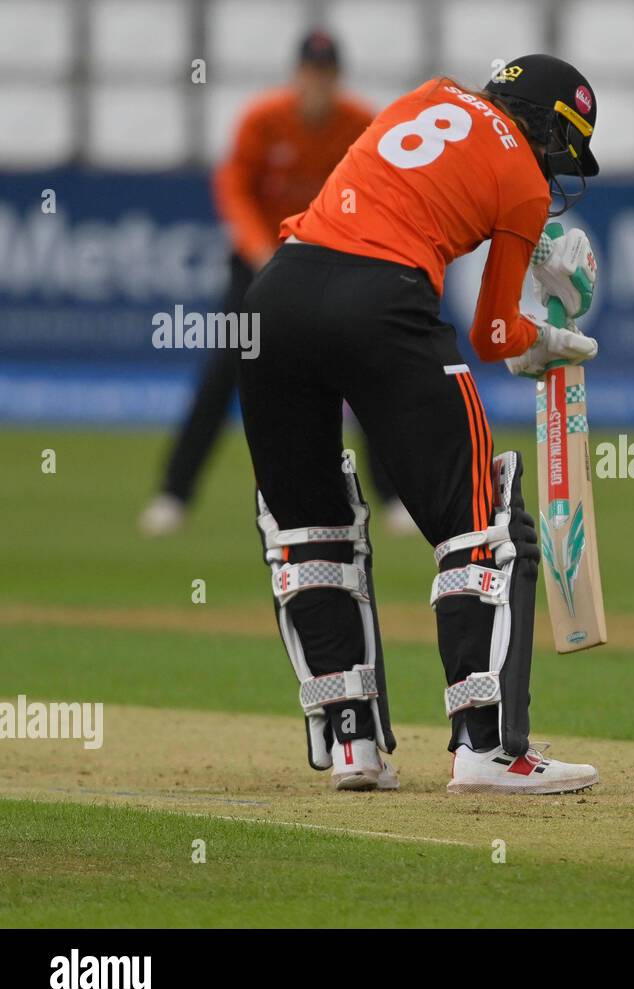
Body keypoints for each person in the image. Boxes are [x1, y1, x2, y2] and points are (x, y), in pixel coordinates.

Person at [237, 54, 603, 794]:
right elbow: (495, 332)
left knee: (308, 529)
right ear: (543, 123)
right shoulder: (525, 180)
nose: (557, 168)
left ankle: (352, 743)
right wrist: (544, 338)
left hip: (277, 295)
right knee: (478, 522)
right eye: (561, 147)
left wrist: (525, 256)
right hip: (381, 301)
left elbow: (416, 188)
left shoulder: (428, 95)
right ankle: (485, 749)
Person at [139, 30, 414, 536]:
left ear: (337, 77)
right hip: (260, 268)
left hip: (329, 265)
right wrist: (261, 250)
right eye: (311, 73)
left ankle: (394, 496)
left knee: (364, 367)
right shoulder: (263, 120)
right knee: (224, 372)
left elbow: (377, 192)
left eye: (326, 74)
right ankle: (174, 494)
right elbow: (233, 188)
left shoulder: (359, 123)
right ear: (297, 75)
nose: (318, 83)